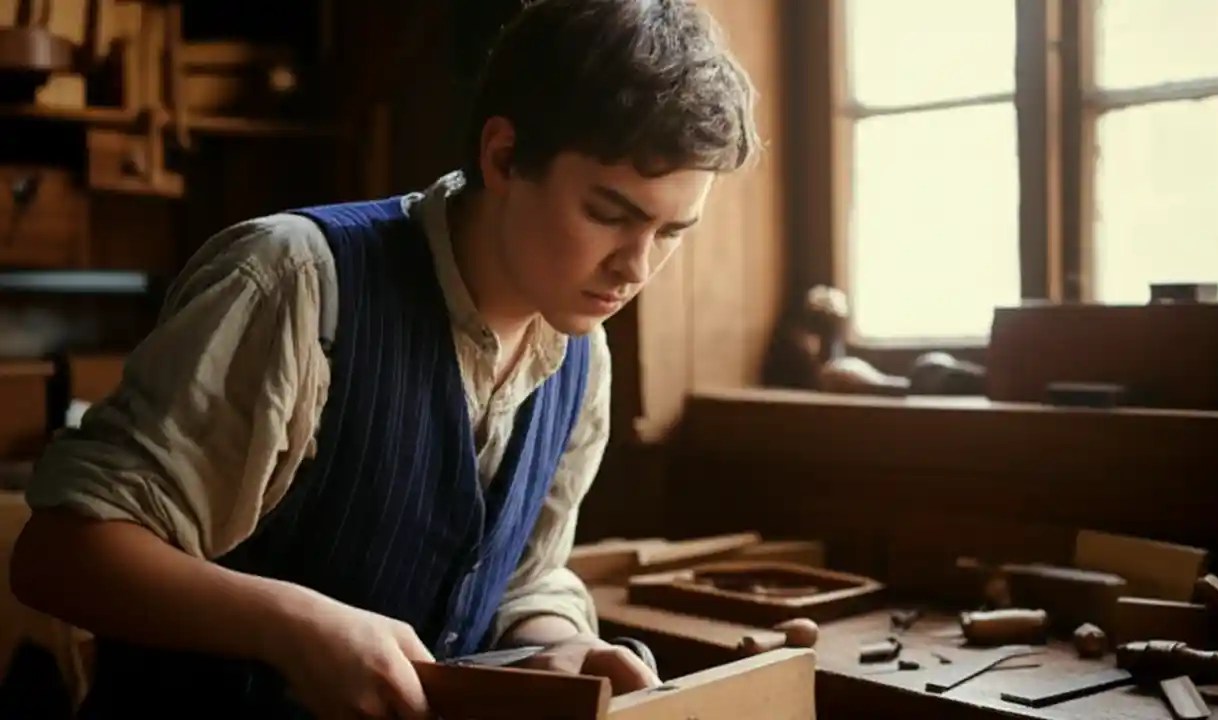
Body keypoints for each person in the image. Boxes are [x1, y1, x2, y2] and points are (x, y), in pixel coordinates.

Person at [9, 0, 758, 717]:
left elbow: (520, 579)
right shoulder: (298, 284)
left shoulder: (579, 354)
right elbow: (59, 555)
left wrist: (557, 645)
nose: (635, 268)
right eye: (608, 213)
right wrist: (290, 625)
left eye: (671, 233)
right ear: (504, 157)